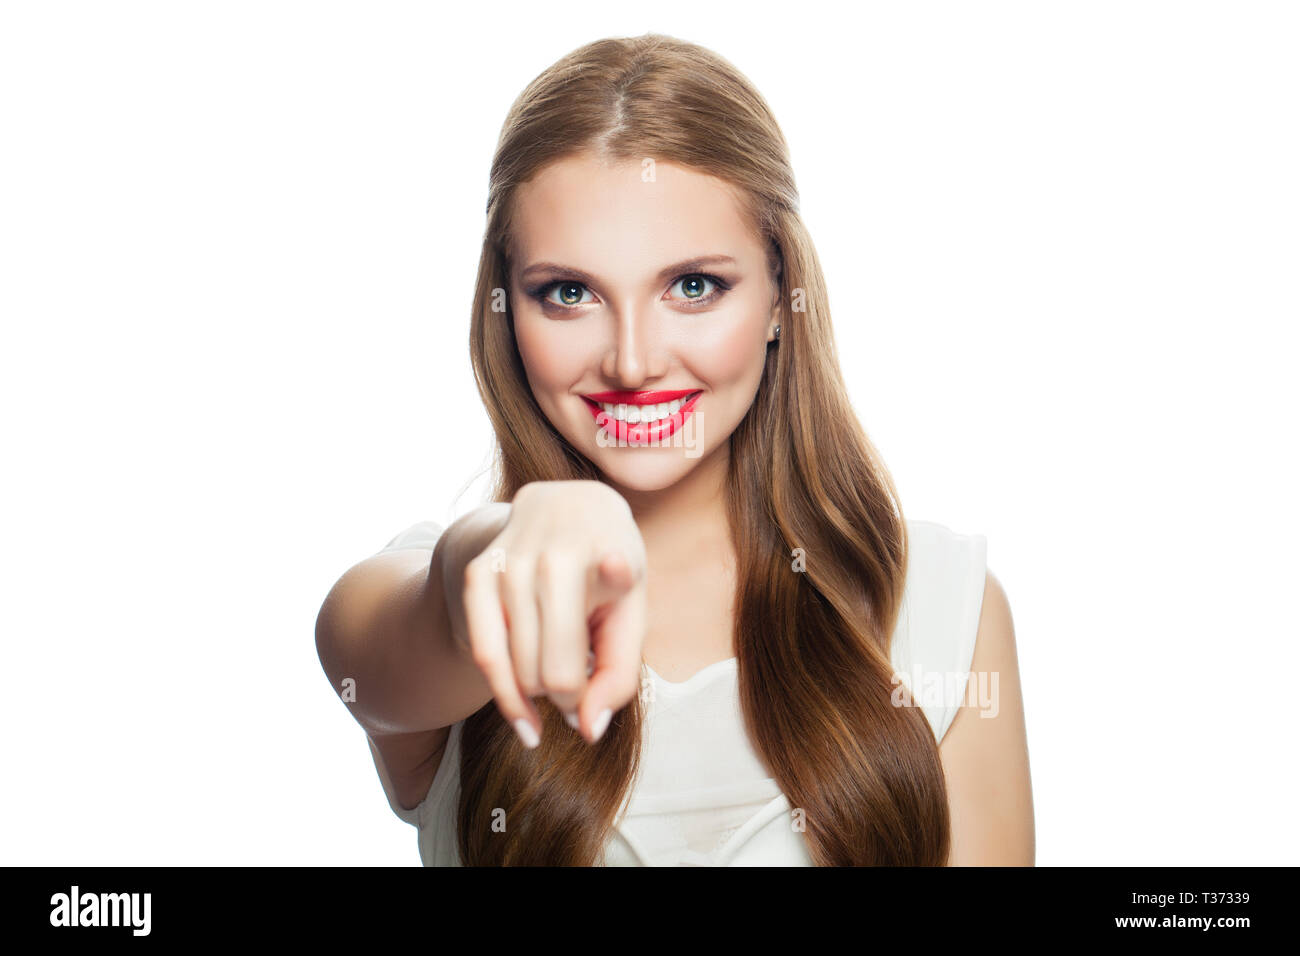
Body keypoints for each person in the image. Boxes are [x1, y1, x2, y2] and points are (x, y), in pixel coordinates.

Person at [315, 32, 1033, 866]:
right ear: (506, 311)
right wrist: (510, 542)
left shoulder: (941, 608)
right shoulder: (437, 601)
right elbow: (391, 633)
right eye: (568, 293)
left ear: (777, 299)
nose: (632, 361)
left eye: (693, 286)